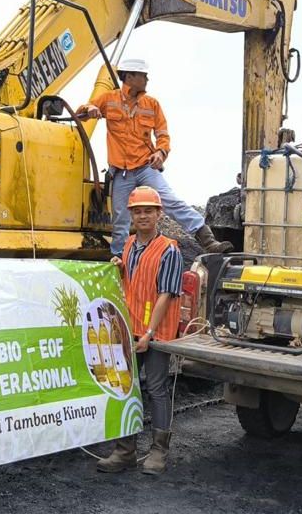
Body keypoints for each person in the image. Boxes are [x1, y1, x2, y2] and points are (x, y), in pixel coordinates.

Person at [75, 59, 231, 257]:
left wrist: (160, 152)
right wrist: (89, 109)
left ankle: (208, 241)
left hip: (145, 167)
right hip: (121, 172)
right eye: (143, 75)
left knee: (169, 201)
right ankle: (119, 259)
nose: (147, 79)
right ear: (129, 77)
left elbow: (163, 135)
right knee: (121, 217)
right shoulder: (108, 99)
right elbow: (80, 113)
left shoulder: (152, 104)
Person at [95, 186, 183, 475]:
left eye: (148, 210)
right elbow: (133, 282)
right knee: (127, 386)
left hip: (155, 333)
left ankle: (159, 451)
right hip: (130, 328)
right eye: (137, 211)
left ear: (159, 214)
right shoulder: (129, 245)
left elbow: (165, 294)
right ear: (131, 215)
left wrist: (149, 333)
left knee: (156, 388)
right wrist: (119, 266)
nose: (142, 215)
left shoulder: (169, 250)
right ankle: (125, 451)